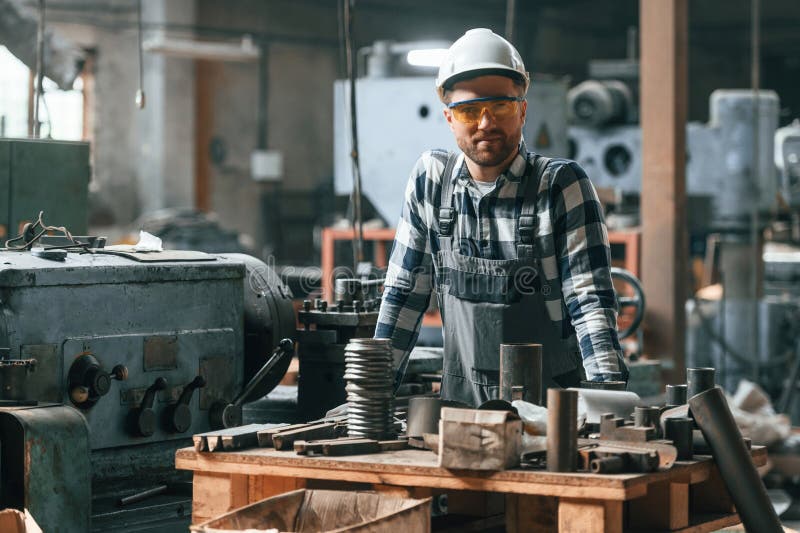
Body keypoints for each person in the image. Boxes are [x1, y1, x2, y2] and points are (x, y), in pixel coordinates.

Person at [375, 28, 628, 406]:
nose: (485, 123)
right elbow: (403, 297)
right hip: (459, 411)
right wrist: (369, 399)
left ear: (523, 110)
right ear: (448, 118)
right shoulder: (431, 181)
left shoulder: (559, 185)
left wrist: (608, 404)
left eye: (501, 107)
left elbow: (590, 302)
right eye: (469, 110)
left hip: (550, 415)